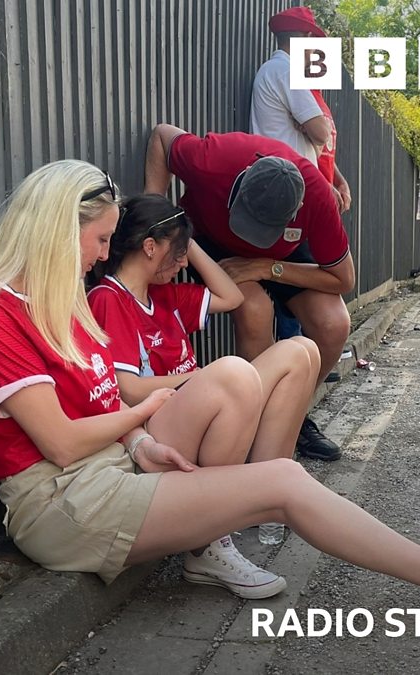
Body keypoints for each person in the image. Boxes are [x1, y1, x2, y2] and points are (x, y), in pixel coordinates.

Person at [0, 159, 420, 624]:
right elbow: (58, 438)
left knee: (251, 403)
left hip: (103, 469)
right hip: (59, 504)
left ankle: (223, 536)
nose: (106, 254)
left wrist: (139, 440)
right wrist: (151, 411)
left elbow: (101, 402)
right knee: (283, 483)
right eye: (101, 240)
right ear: (57, 230)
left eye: (113, 239)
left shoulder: (55, 303)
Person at [87, 193, 321, 546]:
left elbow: (232, 298)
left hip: (199, 412)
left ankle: (265, 501)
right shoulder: (109, 298)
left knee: (301, 350)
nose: (183, 263)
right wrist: (200, 378)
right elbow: (127, 389)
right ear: (150, 247)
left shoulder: (164, 295)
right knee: (232, 371)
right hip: (157, 428)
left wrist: (185, 237)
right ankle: (223, 524)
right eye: (177, 252)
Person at [143, 125, 349, 461]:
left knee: (334, 324)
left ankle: (289, 418)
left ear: (296, 210)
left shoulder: (318, 197)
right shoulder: (213, 159)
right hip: (214, 239)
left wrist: (266, 267)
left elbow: (343, 279)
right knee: (253, 309)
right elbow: (162, 136)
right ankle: (253, 426)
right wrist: (156, 217)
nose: (252, 239)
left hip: (280, 255)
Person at [251, 6, 352, 358]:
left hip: (297, 189)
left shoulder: (285, 72)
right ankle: (297, 357)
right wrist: (309, 126)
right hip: (290, 193)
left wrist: (336, 179)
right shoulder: (286, 71)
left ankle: (297, 353)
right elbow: (321, 130)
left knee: (296, 275)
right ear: (306, 40)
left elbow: (316, 139)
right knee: (302, 275)